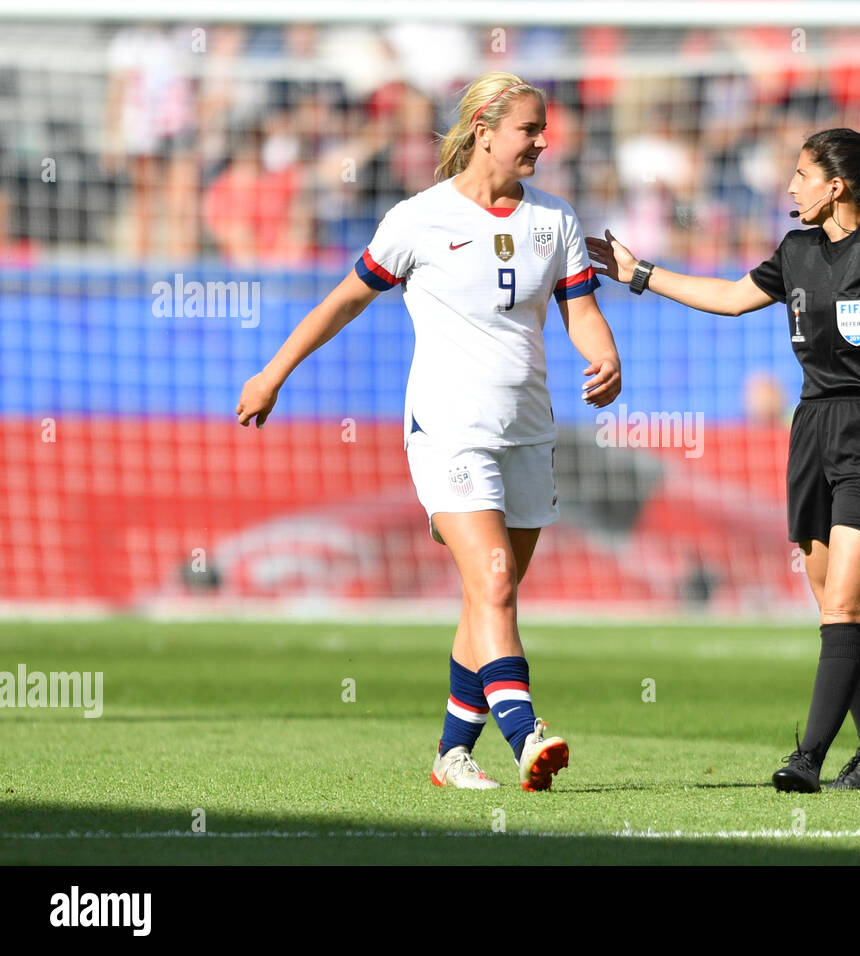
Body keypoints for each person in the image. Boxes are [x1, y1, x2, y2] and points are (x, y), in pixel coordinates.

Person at [237, 72, 621, 791]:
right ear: (484, 129)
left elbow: (582, 311)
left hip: (530, 432)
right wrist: (273, 373)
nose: (543, 140)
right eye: (529, 129)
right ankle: (526, 734)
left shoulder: (555, 220)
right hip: (447, 431)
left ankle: (450, 754)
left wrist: (605, 356)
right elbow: (344, 301)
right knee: (496, 579)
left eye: (544, 129)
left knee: (488, 601)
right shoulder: (419, 220)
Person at [587, 128, 860, 793]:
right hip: (812, 432)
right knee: (838, 605)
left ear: (836, 185)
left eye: (801, 175)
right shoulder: (797, 250)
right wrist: (641, 274)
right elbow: (729, 297)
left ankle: (806, 756)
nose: (789, 187)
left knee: (842, 605)